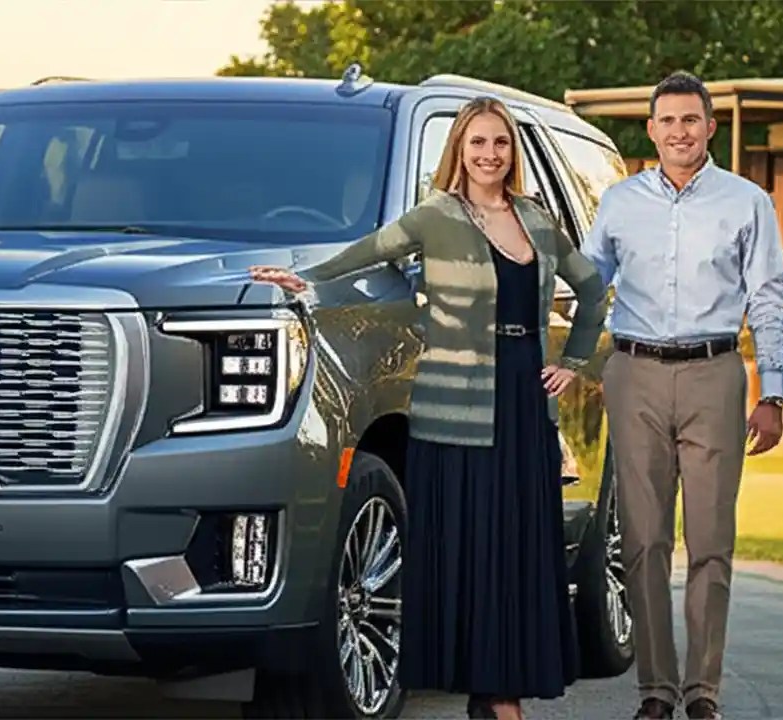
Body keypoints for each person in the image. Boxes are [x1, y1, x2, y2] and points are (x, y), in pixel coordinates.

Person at [251, 96, 609, 720]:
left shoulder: (535, 219)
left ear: (511, 151)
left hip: (526, 402)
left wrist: (572, 361)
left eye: (499, 143)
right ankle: (493, 696)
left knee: (520, 552)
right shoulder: (435, 217)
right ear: (459, 152)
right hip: (453, 407)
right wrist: (303, 281)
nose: (489, 154)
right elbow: (364, 253)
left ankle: (500, 690)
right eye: (477, 143)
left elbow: (591, 288)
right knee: (470, 552)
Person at [581, 71, 783, 720]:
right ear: (650, 130)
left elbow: (769, 295)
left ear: (710, 127)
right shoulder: (618, 203)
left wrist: (775, 390)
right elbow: (590, 287)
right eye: (667, 121)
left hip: (715, 374)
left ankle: (702, 693)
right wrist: (572, 365)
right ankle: (655, 690)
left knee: (710, 542)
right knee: (643, 543)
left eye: (690, 120)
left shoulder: (747, 202)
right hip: (634, 374)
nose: (679, 132)